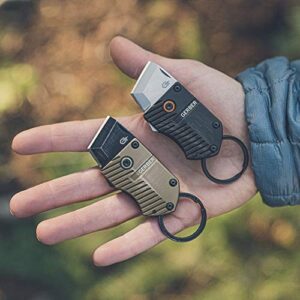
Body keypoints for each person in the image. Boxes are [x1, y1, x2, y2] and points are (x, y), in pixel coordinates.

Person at [9, 36, 299, 266]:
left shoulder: (203, 155)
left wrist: (268, 125)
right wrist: (269, 126)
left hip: (208, 148)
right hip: (212, 146)